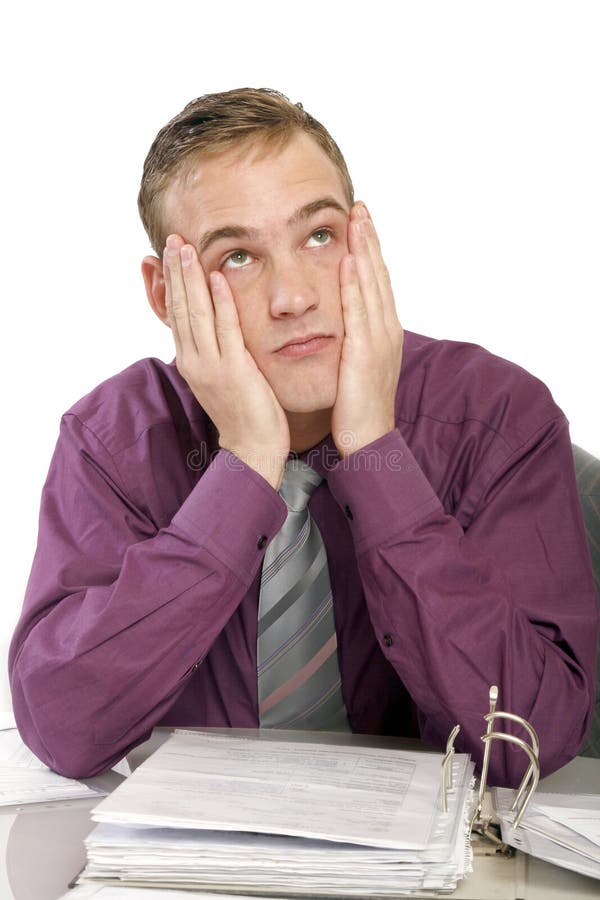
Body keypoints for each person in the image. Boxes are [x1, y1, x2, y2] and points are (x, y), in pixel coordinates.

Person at [9, 87, 598, 783]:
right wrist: (246, 465)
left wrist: (375, 453)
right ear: (166, 293)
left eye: (319, 236)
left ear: (361, 242)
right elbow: (65, 728)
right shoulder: (115, 439)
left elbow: (530, 743)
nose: (294, 297)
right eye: (238, 256)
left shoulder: (496, 419)